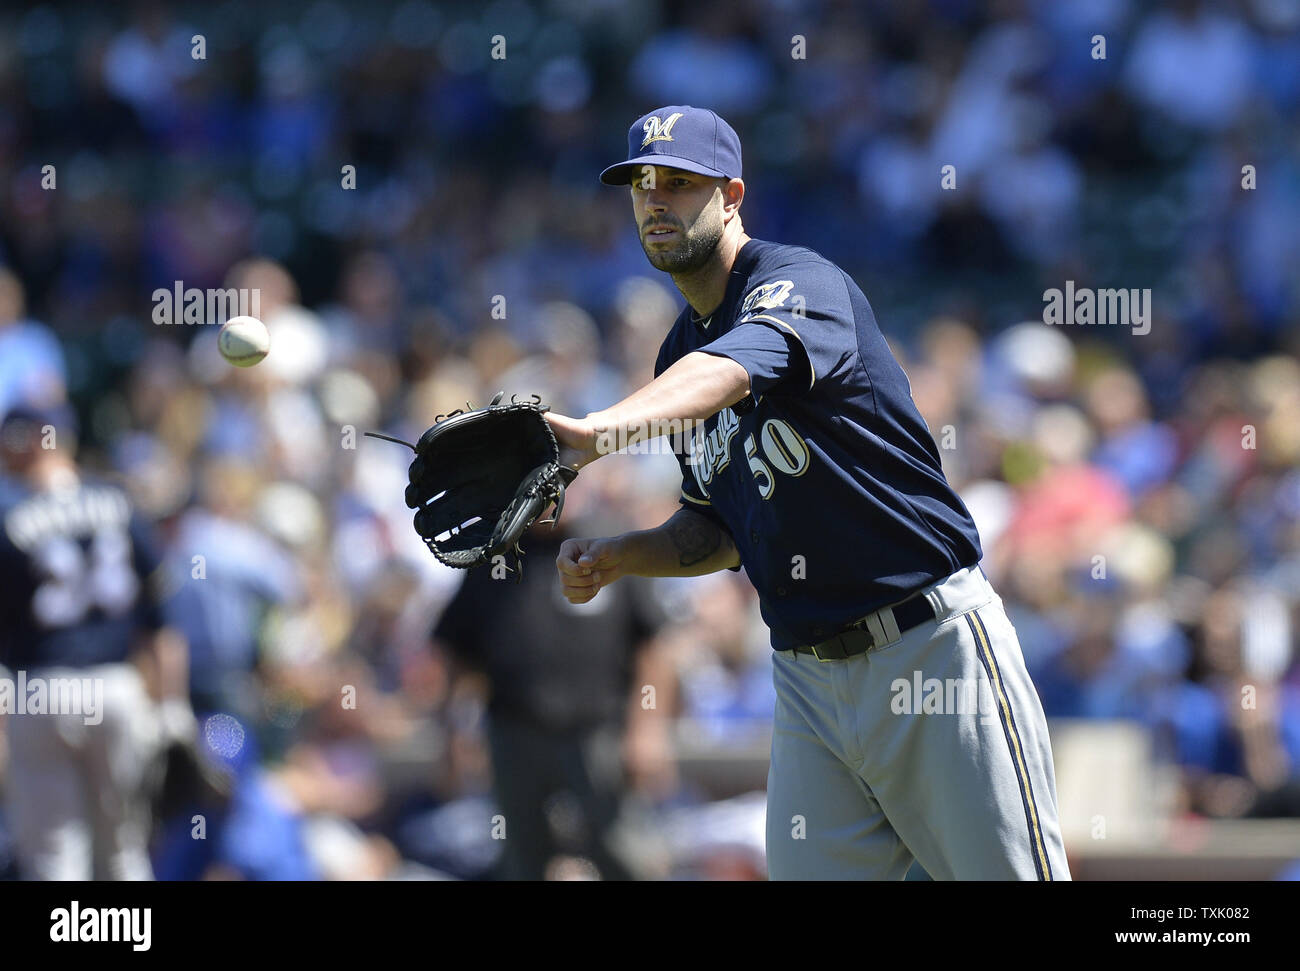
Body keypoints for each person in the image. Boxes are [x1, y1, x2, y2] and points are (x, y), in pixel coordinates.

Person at [545, 105, 1071, 880]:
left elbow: (737, 367)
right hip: (808, 681)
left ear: (731, 194)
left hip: (927, 648)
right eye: (642, 184)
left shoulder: (799, 282)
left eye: (680, 183)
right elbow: (715, 530)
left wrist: (602, 433)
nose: (656, 200)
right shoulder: (676, 353)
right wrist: (620, 556)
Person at [0, 404, 194, 879]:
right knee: (125, 852)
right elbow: (161, 625)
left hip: (40, 693)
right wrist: (173, 708)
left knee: (53, 858)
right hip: (117, 690)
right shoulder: (120, 504)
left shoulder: (9, 521)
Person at [431, 519, 673, 880]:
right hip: (515, 733)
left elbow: (653, 645)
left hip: (598, 734)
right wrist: (454, 733)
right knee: (520, 859)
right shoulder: (497, 550)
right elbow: (459, 649)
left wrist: (648, 729)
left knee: (624, 853)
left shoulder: (607, 543)